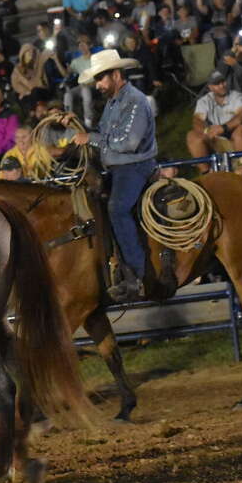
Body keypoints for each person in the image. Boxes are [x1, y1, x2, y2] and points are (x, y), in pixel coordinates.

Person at [73, 50, 157, 302]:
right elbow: (110, 139)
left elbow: (129, 142)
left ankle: (137, 275)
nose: (98, 85)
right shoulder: (114, 103)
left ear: (117, 75)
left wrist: (92, 139)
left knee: (118, 208)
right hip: (119, 168)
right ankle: (116, 270)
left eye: (101, 78)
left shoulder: (135, 101)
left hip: (135, 166)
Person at [187, 71, 242, 173]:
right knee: (192, 136)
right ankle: (207, 172)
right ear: (210, 87)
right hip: (215, 137)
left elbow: (241, 116)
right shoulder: (204, 101)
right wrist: (207, 131)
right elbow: (197, 120)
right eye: (217, 84)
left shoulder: (236, 96)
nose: (221, 85)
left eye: (223, 82)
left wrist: (223, 128)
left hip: (233, 133)